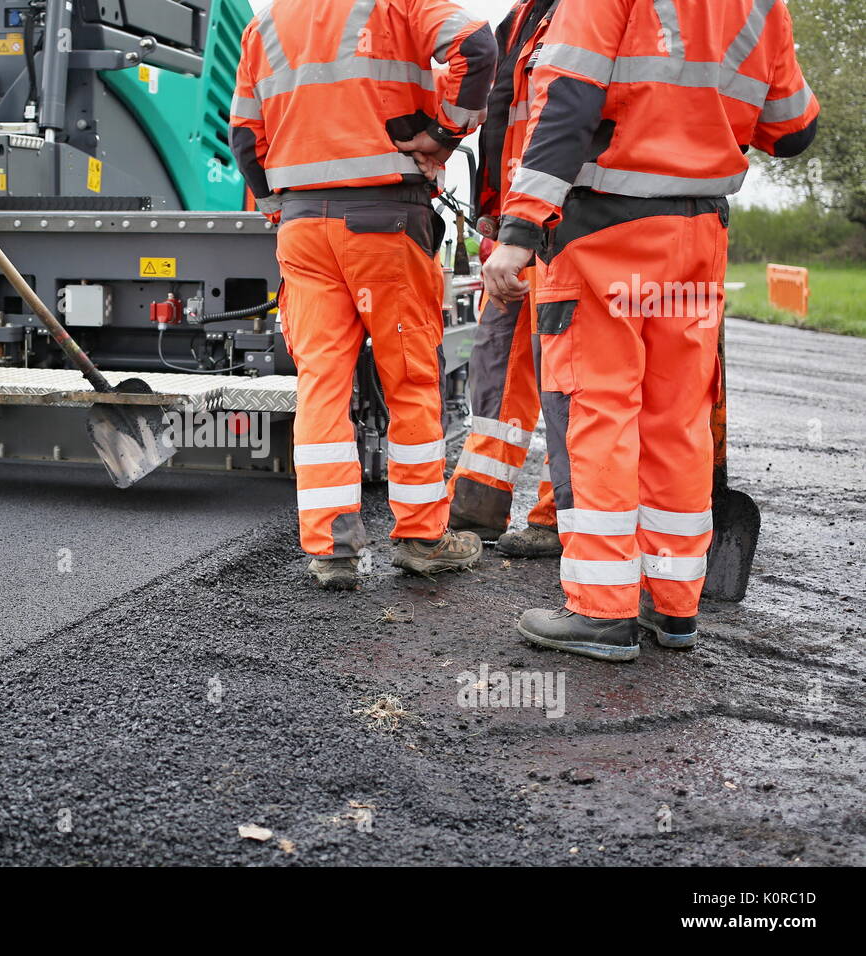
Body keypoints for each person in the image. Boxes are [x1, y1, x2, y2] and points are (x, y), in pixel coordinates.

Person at [482, 0, 818, 659]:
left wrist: (518, 230)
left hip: (605, 232)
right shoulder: (760, 5)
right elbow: (793, 129)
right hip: (697, 233)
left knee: (600, 409)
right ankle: (673, 606)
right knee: (676, 418)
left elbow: (570, 105)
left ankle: (601, 610)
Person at [229, 0, 498, 590]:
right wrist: (443, 133)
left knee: (321, 382)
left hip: (303, 229)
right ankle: (423, 537)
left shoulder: (267, 23)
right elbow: (476, 47)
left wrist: (278, 205)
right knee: (409, 377)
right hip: (385, 221)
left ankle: (332, 550)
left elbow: (246, 138)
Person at [433, 0, 564, 559]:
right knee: (495, 367)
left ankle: (564, 515)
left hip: (568, 225)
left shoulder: (600, 14)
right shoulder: (522, 17)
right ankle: (478, 502)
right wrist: (497, 216)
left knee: (570, 377)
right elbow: (501, 112)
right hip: (517, 226)